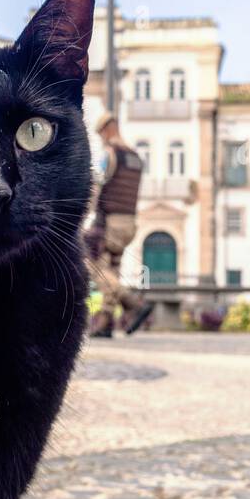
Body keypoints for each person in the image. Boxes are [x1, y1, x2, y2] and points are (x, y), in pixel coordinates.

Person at [87, 112, 154, 338]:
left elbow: (96, 187)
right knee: (112, 268)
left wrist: (85, 217)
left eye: (101, 134)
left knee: (93, 264)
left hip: (110, 223)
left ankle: (132, 303)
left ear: (107, 129)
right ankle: (105, 322)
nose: (101, 138)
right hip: (130, 223)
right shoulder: (135, 157)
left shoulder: (109, 154)